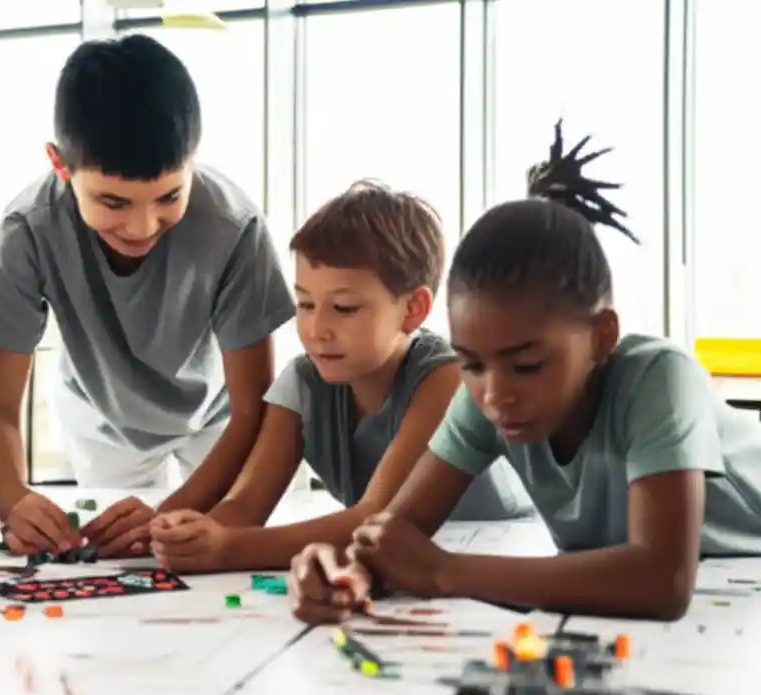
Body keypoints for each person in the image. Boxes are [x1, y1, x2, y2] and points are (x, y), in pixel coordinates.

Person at [288, 122, 761, 622]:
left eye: (528, 365)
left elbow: (661, 581)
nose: (495, 395)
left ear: (602, 335)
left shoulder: (660, 380)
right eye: (471, 364)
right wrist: (343, 575)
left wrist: (447, 572)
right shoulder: (486, 396)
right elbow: (394, 537)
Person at [0, 34, 293, 558]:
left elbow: (252, 409)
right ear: (59, 164)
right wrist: (14, 501)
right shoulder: (27, 229)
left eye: (169, 196)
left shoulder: (235, 227)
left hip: (221, 419)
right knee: (118, 557)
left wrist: (170, 515)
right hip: (103, 419)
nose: (142, 226)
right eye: (113, 202)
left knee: (204, 549)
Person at [150, 182, 527, 572]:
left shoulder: (444, 378)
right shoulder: (302, 382)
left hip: (499, 553)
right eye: (305, 304)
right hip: (399, 567)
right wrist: (180, 533)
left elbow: (376, 517)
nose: (317, 330)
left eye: (344, 308)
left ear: (413, 309)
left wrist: (228, 547)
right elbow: (244, 506)